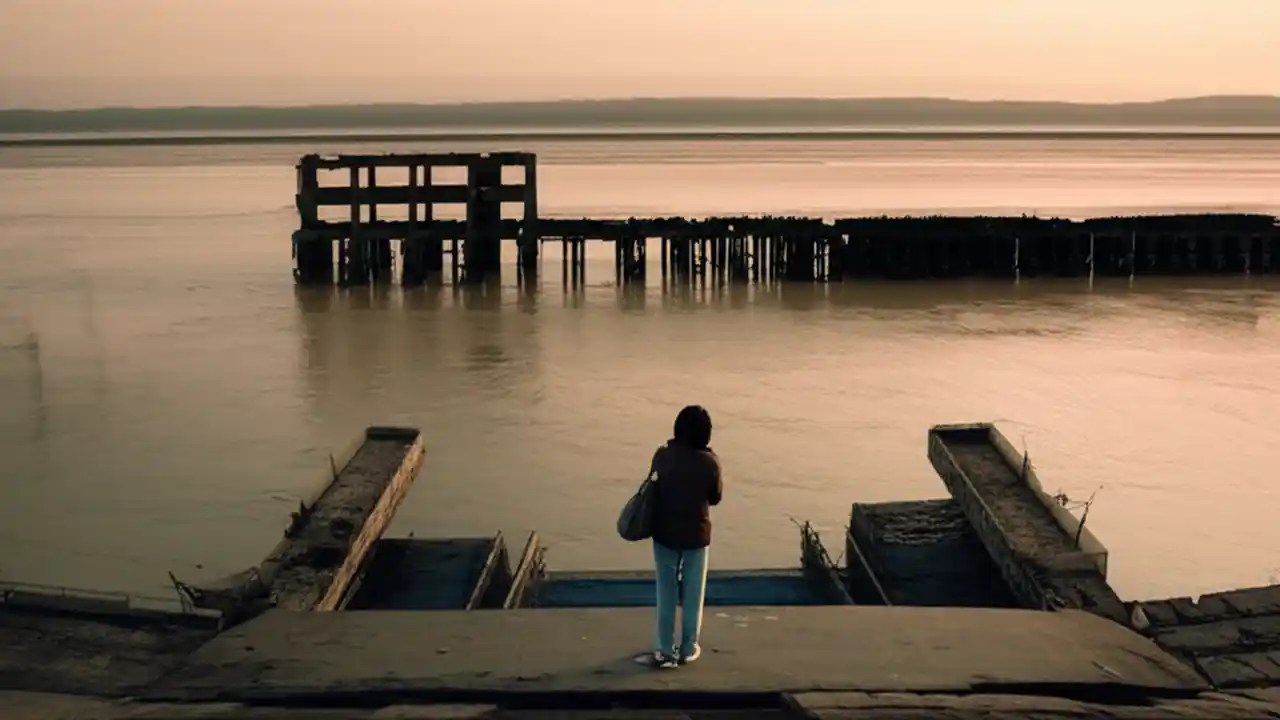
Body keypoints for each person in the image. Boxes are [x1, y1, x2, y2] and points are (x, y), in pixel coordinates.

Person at [647, 405, 722, 669]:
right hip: (696, 536)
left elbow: (653, 489)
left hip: (664, 533)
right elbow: (715, 497)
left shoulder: (662, 456)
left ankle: (664, 649)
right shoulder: (709, 462)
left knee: (665, 593)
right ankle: (688, 648)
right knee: (693, 595)